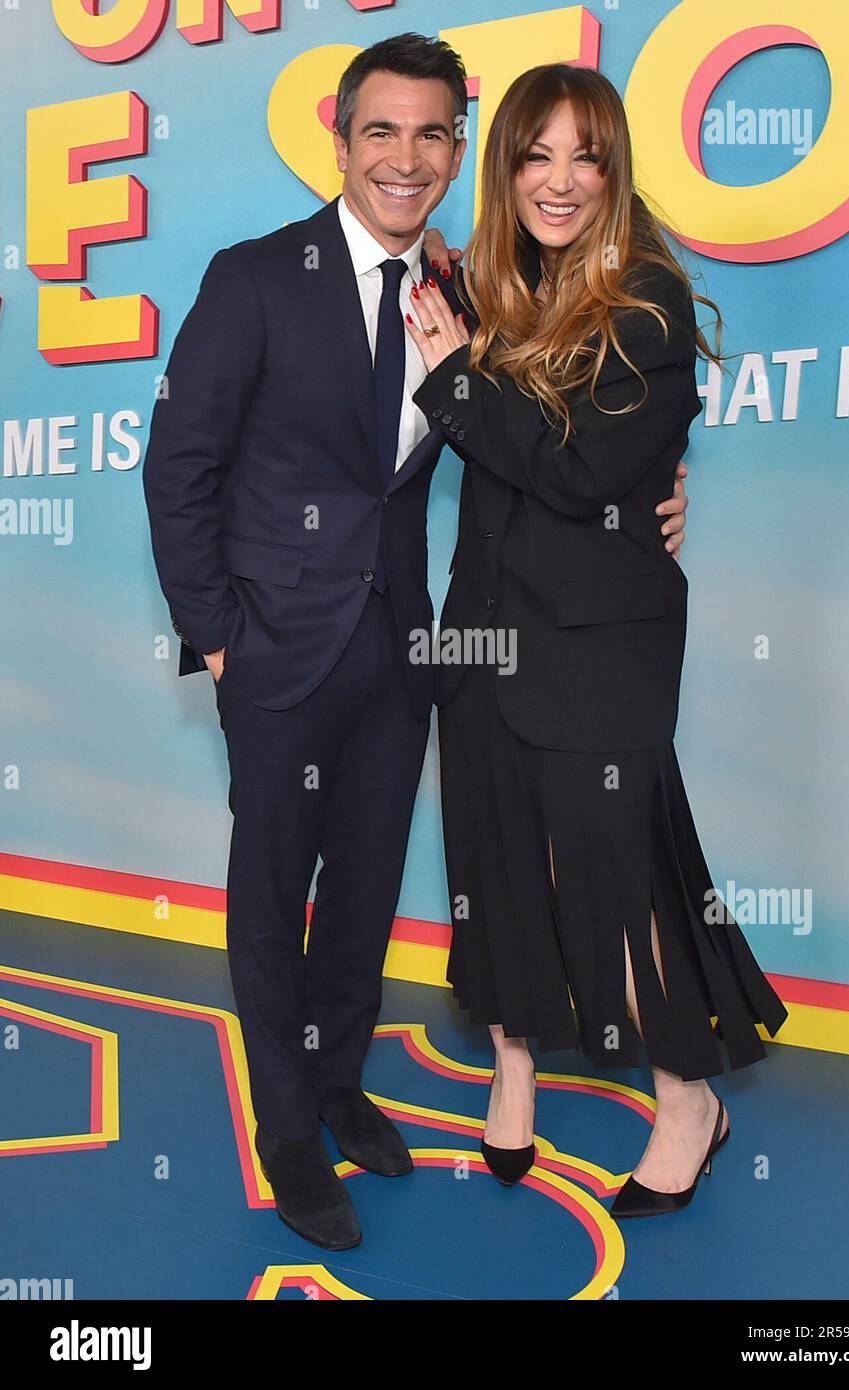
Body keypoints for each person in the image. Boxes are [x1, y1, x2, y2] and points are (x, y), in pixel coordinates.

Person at [142, 31, 692, 1249]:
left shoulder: (467, 288)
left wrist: (660, 478)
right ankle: (285, 1124)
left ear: (458, 150)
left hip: (409, 653)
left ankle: (339, 1081)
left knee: (366, 891)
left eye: (432, 133)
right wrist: (215, 637)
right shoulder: (252, 277)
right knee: (271, 892)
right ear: (340, 135)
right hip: (274, 648)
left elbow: (557, 424)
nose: (405, 156)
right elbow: (178, 464)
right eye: (380, 130)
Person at [407, 62, 788, 1219]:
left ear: (614, 169)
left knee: (617, 874)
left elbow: (581, 472)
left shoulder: (648, 301)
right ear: (504, 167)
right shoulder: (482, 288)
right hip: (478, 629)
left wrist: (459, 385)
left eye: (584, 155)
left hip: (597, 646)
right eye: (534, 154)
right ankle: (512, 1070)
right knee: (492, 859)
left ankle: (689, 1101)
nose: (559, 181)